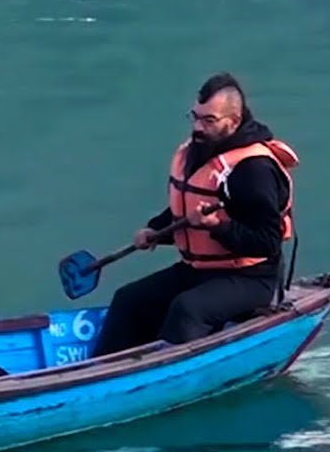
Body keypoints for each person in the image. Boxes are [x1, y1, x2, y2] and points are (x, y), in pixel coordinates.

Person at [90, 72, 299, 356]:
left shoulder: (254, 169)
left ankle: (164, 377)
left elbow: (267, 241)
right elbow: (188, 206)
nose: (198, 128)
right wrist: (154, 231)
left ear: (234, 121)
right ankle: (103, 370)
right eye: (195, 117)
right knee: (128, 299)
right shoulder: (198, 152)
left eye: (209, 120)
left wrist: (217, 226)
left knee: (187, 309)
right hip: (198, 271)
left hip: (251, 277)